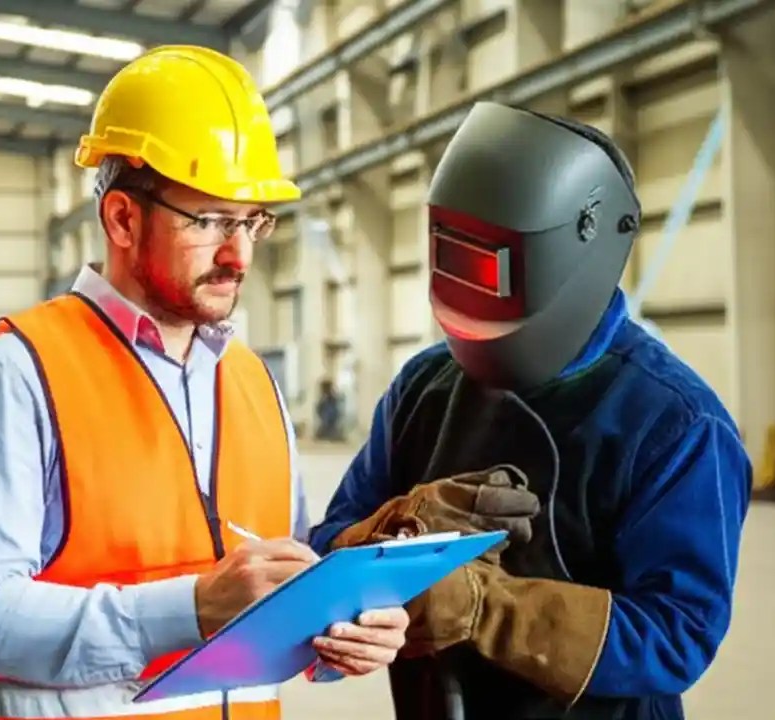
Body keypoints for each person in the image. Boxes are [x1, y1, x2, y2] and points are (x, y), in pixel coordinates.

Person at [0, 45, 408, 720]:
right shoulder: (18, 373)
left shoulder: (254, 383)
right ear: (123, 218)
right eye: (210, 221)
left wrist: (340, 631)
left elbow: (279, 595)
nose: (239, 255)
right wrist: (190, 608)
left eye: (252, 222)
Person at [309, 102, 752, 719]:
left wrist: (487, 609)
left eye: (490, 270)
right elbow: (327, 551)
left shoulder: (673, 423)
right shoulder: (423, 388)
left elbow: (677, 634)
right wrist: (397, 528)